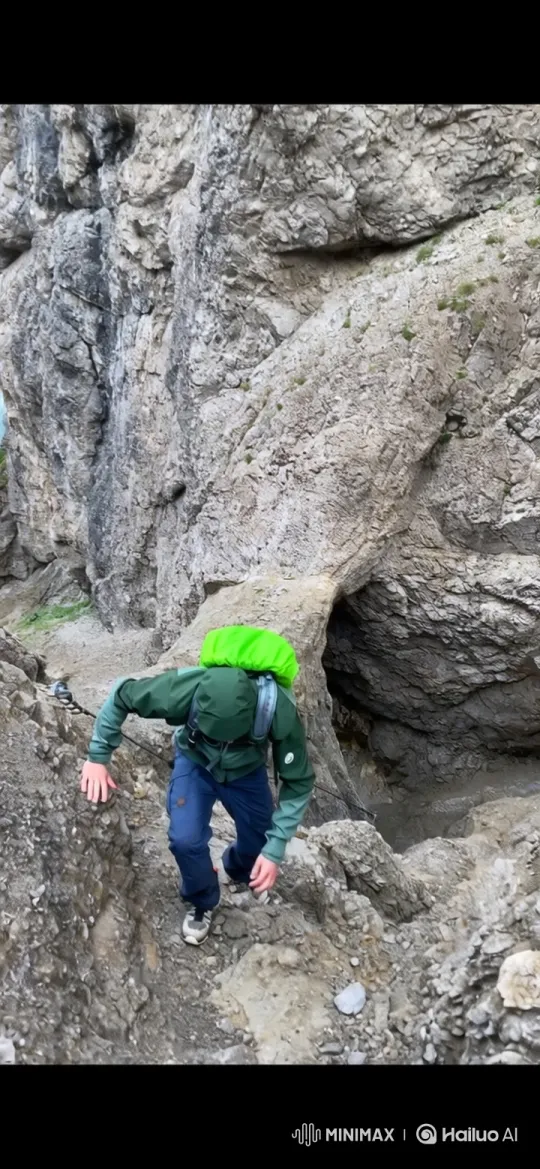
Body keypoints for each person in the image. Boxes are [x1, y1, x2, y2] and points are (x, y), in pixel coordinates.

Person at [80, 625, 315, 945]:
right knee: (185, 839)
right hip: (195, 762)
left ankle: (241, 870)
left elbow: (298, 783)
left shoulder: (278, 709)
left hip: (247, 771)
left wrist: (274, 850)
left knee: (261, 839)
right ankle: (203, 899)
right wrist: (97, 757)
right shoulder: (185, 687)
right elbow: (123, 693)